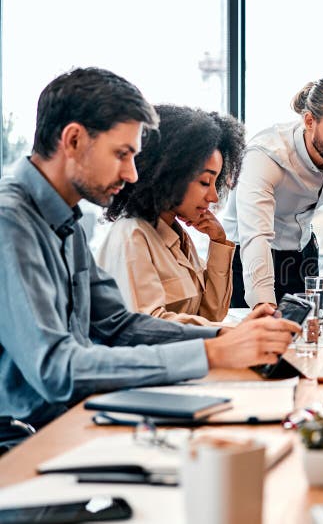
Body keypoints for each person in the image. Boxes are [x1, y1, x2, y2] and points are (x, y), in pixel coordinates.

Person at [0, 68, 300, 446]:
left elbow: (119, 324)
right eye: (122, 154)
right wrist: (211, 352)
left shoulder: (66, 221)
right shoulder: (10, 222)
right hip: (22, 441)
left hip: (71, 421)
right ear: (73, 139)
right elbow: (56, 369)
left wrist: (225, 336)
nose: (130, 173)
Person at [222, 76, 323, 308]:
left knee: (307, 334)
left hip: (303, 251)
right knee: (258, 333)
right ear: (310, 121)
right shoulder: (266, 157)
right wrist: (263, 306)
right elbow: (256, 237)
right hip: (246, 256)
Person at [98, 105, 245, 326]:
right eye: (205, 182)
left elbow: (211, 313)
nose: (214, 197)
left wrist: (219, 242)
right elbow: (148, 325)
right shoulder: (132, 235)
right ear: (171, 175)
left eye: (216, 183)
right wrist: (235, 331)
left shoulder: (178, 237)